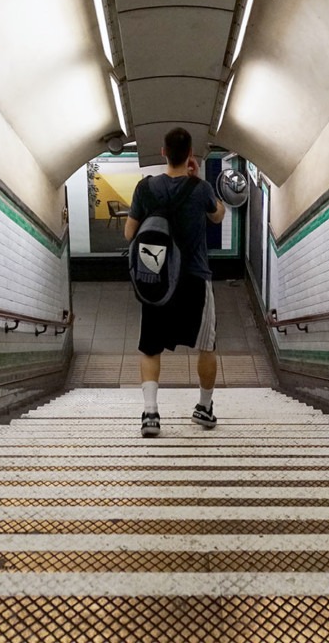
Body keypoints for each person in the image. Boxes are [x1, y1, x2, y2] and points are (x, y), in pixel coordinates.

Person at [124, 126, 225, 437]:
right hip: (195, 278)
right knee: (206, 346)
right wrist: (200, 180)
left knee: (150, 348)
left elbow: (129, 234)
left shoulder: (146, 189)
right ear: (190, 155)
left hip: (158, 279)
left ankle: (151, 414)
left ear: (164, 152)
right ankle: (204, 409)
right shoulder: (201, 188)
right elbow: (218, 215)